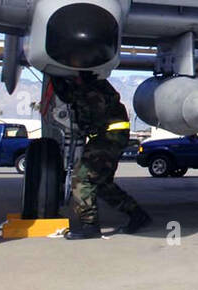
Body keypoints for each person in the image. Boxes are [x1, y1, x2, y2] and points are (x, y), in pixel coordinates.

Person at [50, 72, 151, 239]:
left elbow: (83, 107)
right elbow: (71, 97)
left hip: (108, 137)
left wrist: (58, 79)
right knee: (102, 183)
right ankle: (137, 214)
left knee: (81, 178)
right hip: (110, 137)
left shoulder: (92, 90)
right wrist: (58, 80)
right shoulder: (93, 86)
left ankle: (90, 225)